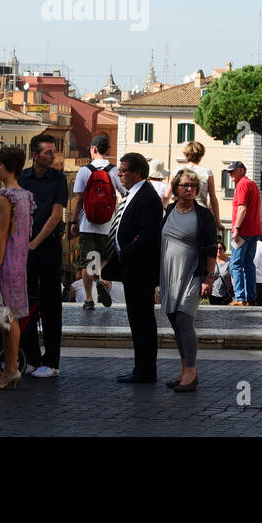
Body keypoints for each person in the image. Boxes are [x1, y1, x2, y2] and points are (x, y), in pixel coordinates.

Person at [160, 169, 217, 392]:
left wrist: (208, 279)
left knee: (184, 321)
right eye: (185, 185)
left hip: (192, 274)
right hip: (169, 274)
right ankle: (184, 370)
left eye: (193, 185)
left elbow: (211, 249)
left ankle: (191, 372)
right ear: (176, 188)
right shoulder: (171, 209)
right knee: (175, 322)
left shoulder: (204, 216)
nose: (190, 189)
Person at [0, 145, 33, 390]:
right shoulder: (24, 195)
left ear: (10, 167)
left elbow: (1, 237)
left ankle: (10, 370)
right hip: (18, 263)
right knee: (9, 318)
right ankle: (9, 369)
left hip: (4, 263)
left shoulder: (5, 198)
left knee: (8, 319)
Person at [19, 133, 68, 378]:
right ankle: (30, 358)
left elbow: (57, 215)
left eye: (53, 152)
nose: (53, 156)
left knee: (50, 305)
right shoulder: (22, 178)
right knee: (25, 303)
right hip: (24, 249)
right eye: (48, 152)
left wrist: (34, 243)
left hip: (47, 249)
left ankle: (52, 362)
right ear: (35, 155)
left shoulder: (59, 179)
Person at [113, 152, 162, 383]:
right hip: (132, 267)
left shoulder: (147, 197)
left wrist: (124, 252)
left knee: (142, 320)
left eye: (123, 171)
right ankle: (141, 368)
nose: (119, 175)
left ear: (138, 173)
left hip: (140, 268)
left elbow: (148, 235)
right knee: (137, 319)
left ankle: (145, 370)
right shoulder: (135, 194)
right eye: (119, 171)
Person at [69, 134, 122, 310]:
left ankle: (90, 299)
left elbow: (79, 200)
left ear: (93, 149)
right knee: (106, 258)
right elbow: (125, 193)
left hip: (87, 224)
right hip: (109, 225)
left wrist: (74, 222)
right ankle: (100, 279)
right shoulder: (115, 171)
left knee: (87, 261)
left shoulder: (85, 171)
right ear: (107, 150)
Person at [225, 161, 261, 306]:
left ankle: (240, 297)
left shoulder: (242, 185)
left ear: (240, 170)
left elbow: (242, 208)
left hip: (243, 232)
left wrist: (237, 229)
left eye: (232, 172)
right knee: (249, 264)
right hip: (254, 230)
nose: (230, 175)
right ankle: (251, 297)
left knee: (236, 264)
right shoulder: (252, 184)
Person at [181, 141, 220, 214]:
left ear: (186, 154)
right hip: (200, 212)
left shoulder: (177, 171)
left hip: (181, 211)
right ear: (201, 155)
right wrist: (218, 221)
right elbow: (213, 200)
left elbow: (168, 195)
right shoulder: (207, 172)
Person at [208, 241, 233, 305]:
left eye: (220, 248)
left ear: (224, 250)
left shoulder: (230, 262)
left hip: (226, 294)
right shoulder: (211, 261)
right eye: (216, 249)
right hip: (213, 294)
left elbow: (233, 277)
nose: (218, 250)